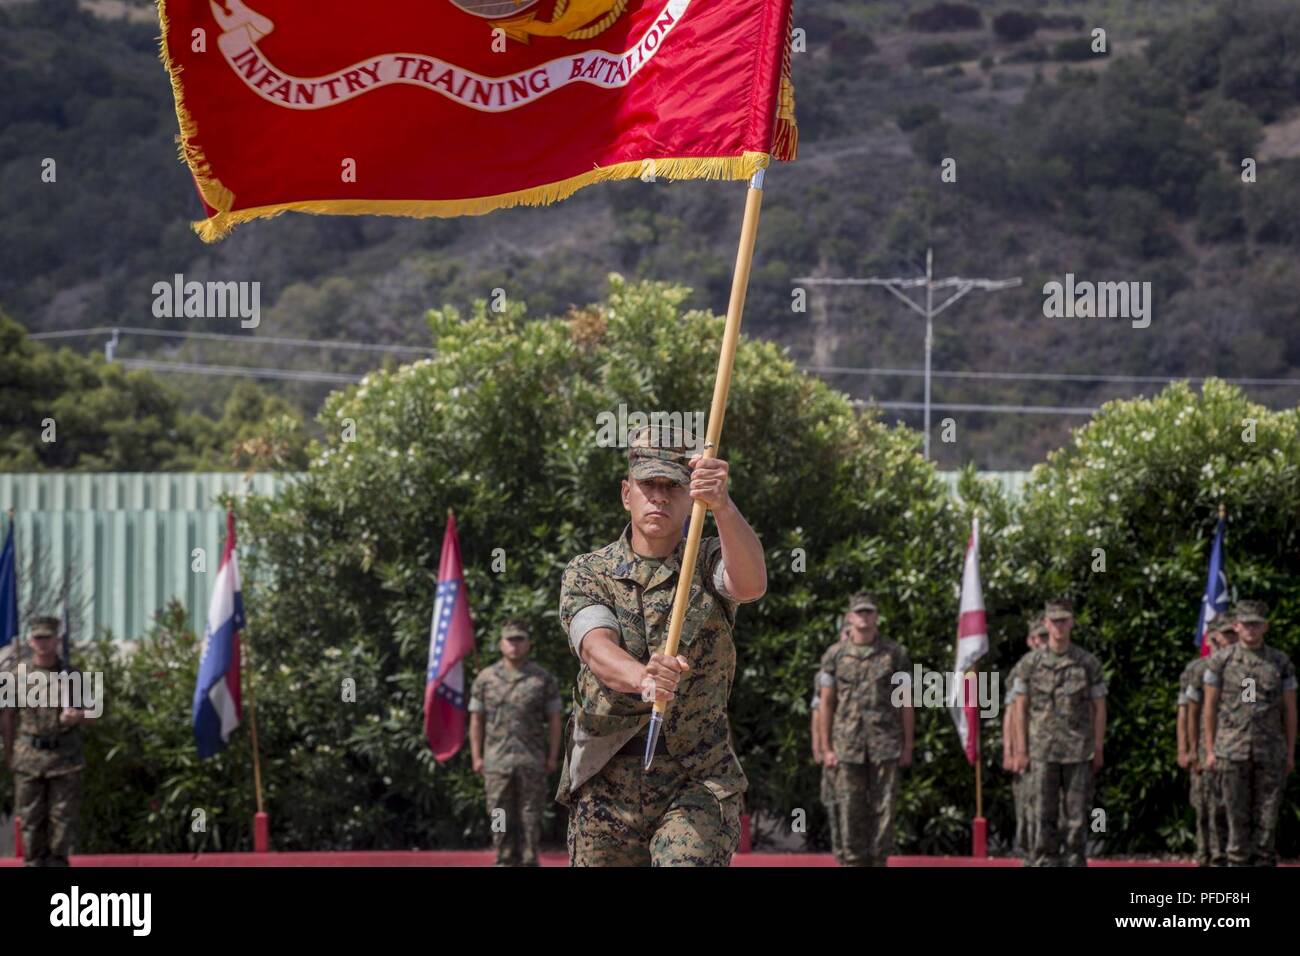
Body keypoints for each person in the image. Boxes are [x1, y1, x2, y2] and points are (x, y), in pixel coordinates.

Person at [556, 423, 767, 866]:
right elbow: (594, 645)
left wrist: (724, 506)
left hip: (696, 778)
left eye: (673, 486)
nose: (659, 497)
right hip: (605, 778)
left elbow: (749, 585)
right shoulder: (589, 572)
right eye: (648, 485)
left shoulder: (708, 559)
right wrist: (643, 678)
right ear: (625, 494)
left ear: (691, 496)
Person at [818, 592, 914, 867]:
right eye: (859, 612)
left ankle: (878, 861)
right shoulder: (835, 655)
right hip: (846, 746)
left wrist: (907, 746)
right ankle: (852, 863)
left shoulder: (895, 654)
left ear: (877, 616)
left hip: (885, 744)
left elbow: (905, 701)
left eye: (869, 611)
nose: (864, 616)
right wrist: (826, 748)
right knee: (850, 809)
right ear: (849, 617)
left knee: (884, 810)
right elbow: (826, 703)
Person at [1010, 598, 1106, 867]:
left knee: (1076, 817)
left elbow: (1099, 708)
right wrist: (1020, 749)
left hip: (1078, 750)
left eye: (1064, 620)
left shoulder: (1087, 663)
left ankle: (1074, 862)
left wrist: (1098, 747)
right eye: (1054, 621)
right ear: (1046, 624)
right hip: (1042, 750)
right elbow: (1019, 708)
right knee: (1042, 815)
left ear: (1072, 622)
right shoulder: (1029, 665)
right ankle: (1044, 862)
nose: (1059, 626)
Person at [1203, 599, 1297, 867]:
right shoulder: (1221, 661)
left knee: (1266, 829)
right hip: (1231, 752)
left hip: (1270, 753)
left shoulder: (1280, 662)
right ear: (1236, 626)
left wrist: (1290, 752)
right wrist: (1210, 750)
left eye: (1256, 624)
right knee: (1236, 826)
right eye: (1245, 624)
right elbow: (1209, 708)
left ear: (1265, 627)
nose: (1251, 630)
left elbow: (1290, 710)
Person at [0, 617, 93, 867]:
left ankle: (57, 864)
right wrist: (9, 754)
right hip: (28, 756)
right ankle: (34, 863)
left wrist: (77, 716)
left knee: (62, 820)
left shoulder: (72, 675)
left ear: (57, 640)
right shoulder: (15, 675)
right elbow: (7, 716)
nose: (42, 643)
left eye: (47, 638)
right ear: (30, 641)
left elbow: (95, 712)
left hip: (64, 758)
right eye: (38, 638)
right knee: (30, 821)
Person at [469, 619, 563, 866]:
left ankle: (530, 858)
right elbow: (476, 721)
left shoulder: (543, 679)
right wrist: (476, 756)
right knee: (498, 812)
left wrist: (553, 756)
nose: (515, 645)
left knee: (531, 813)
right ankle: (504, 857)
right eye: (510, 640)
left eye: (520, 639)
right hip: (496, 760)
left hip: (531, 759)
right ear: (501, 644)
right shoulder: (485, 678)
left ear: (528, 644)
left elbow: (555, 720)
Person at [1178, 616, 1237, 866]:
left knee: (1232, 807)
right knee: (1205, 808)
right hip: (1205, 746)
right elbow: (1187, 713)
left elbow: (1250, 704)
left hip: (1236, 745)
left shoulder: (1243, 669)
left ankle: (1229, 856)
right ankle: (1207, 856)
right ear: (1212, 638)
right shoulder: (1197, 670)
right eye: (1225, 634)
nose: (1230, 639)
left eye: (1232, 633)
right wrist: (1187, 749)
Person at [1005, 616, 1047, 860]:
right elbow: (1011, 713)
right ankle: (1030, 859)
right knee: (1029, 810)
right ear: (1029, 641)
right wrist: (1010, 752)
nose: (1041, 642)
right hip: (1028, 751)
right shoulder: (1022, 669)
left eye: (1045, 636)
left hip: (1058, 751)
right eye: (1037, 637)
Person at [815, 618, 850, 862]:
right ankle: (842, 857)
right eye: (846, 632)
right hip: (835, 747)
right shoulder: (829, 667)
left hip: (858, 747)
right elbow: (819, 709)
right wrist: (820, 746)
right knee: (836, 803)